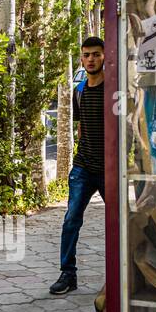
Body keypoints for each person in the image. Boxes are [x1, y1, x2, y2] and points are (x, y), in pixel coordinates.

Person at [50, 36, 106, 295]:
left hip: (109, 169)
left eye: (96, 54)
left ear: (105, 56)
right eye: (87, 55)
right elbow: (82, 127)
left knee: (121, 222)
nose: (91, 59)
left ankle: (124, 275)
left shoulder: (114, 91)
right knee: (71, 219)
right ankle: (67, 274)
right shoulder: (79, 90)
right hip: (83, 167)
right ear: (82, 59)